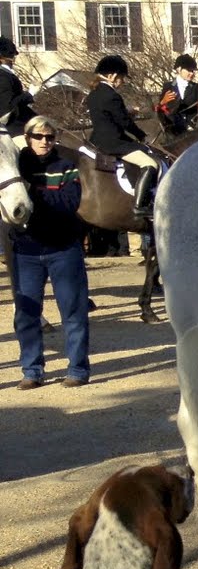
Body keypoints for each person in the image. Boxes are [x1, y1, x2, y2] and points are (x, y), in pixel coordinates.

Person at [12, 116, 90, 388]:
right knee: (25, 314)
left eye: (49, 137)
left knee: (73, 311)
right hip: (26, 250)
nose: (44, 142)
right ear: (27, 137)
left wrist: (32, 192)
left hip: (64, 248)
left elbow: (69, 203)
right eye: (38, 136)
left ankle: (78, 368)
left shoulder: (66, 166)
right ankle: (32, 370)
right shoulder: (15, 165)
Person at [86, 55, 162, 219]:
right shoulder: (112, 95)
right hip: (113, 143)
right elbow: (124, 122)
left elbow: (110, 116)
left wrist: (128, 112)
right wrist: (142, 136)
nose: (122, 82)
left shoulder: (93, 94)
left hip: (97, 140)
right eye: (121, 78)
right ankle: (140, 206)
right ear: (112, 76)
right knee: (150, 163)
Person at [156, 53, 198, 137]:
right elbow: (160, 111)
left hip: (192, 130)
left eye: (193, 71)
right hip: (174, 131)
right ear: (179, 69)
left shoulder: (196, 87)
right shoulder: (168, 86)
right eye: (189, 70)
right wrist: (163, 102)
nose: (192, 73)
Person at [0, 37, 35, 142]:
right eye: (11, 56)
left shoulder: (7, 75)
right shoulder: (3, 76)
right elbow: (8, 107)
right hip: (13, 129)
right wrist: (30, 94)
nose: (13, 59)